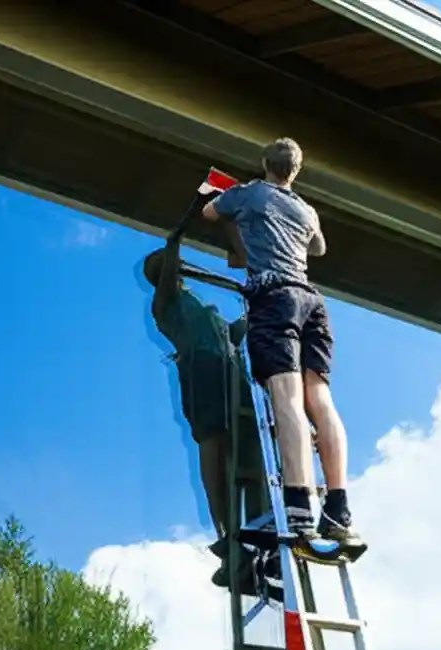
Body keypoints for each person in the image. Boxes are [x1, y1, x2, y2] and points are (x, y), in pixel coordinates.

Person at [201, 138, 364, 551]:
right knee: (320, 400)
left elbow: (208, 211)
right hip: (313, 302)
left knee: (286, 400)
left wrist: (232, 200)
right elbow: (319, 247)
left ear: (265, 164)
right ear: (296, 170)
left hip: (275, 299)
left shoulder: (251, 192)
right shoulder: (306, 209)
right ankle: (339, 509)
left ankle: (298, 507)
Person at [142, 241, 268, 588]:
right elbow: (168, 273)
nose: (180, 266)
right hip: (203, 378)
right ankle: (228, 539)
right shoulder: (165, 305)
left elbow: (231, 334)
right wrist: (175, 239)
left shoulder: (199, 306)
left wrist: (251, 315)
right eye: (172, 265)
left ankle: (259, 536)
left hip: (232, 377)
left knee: (249, 455)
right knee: (214, 450)